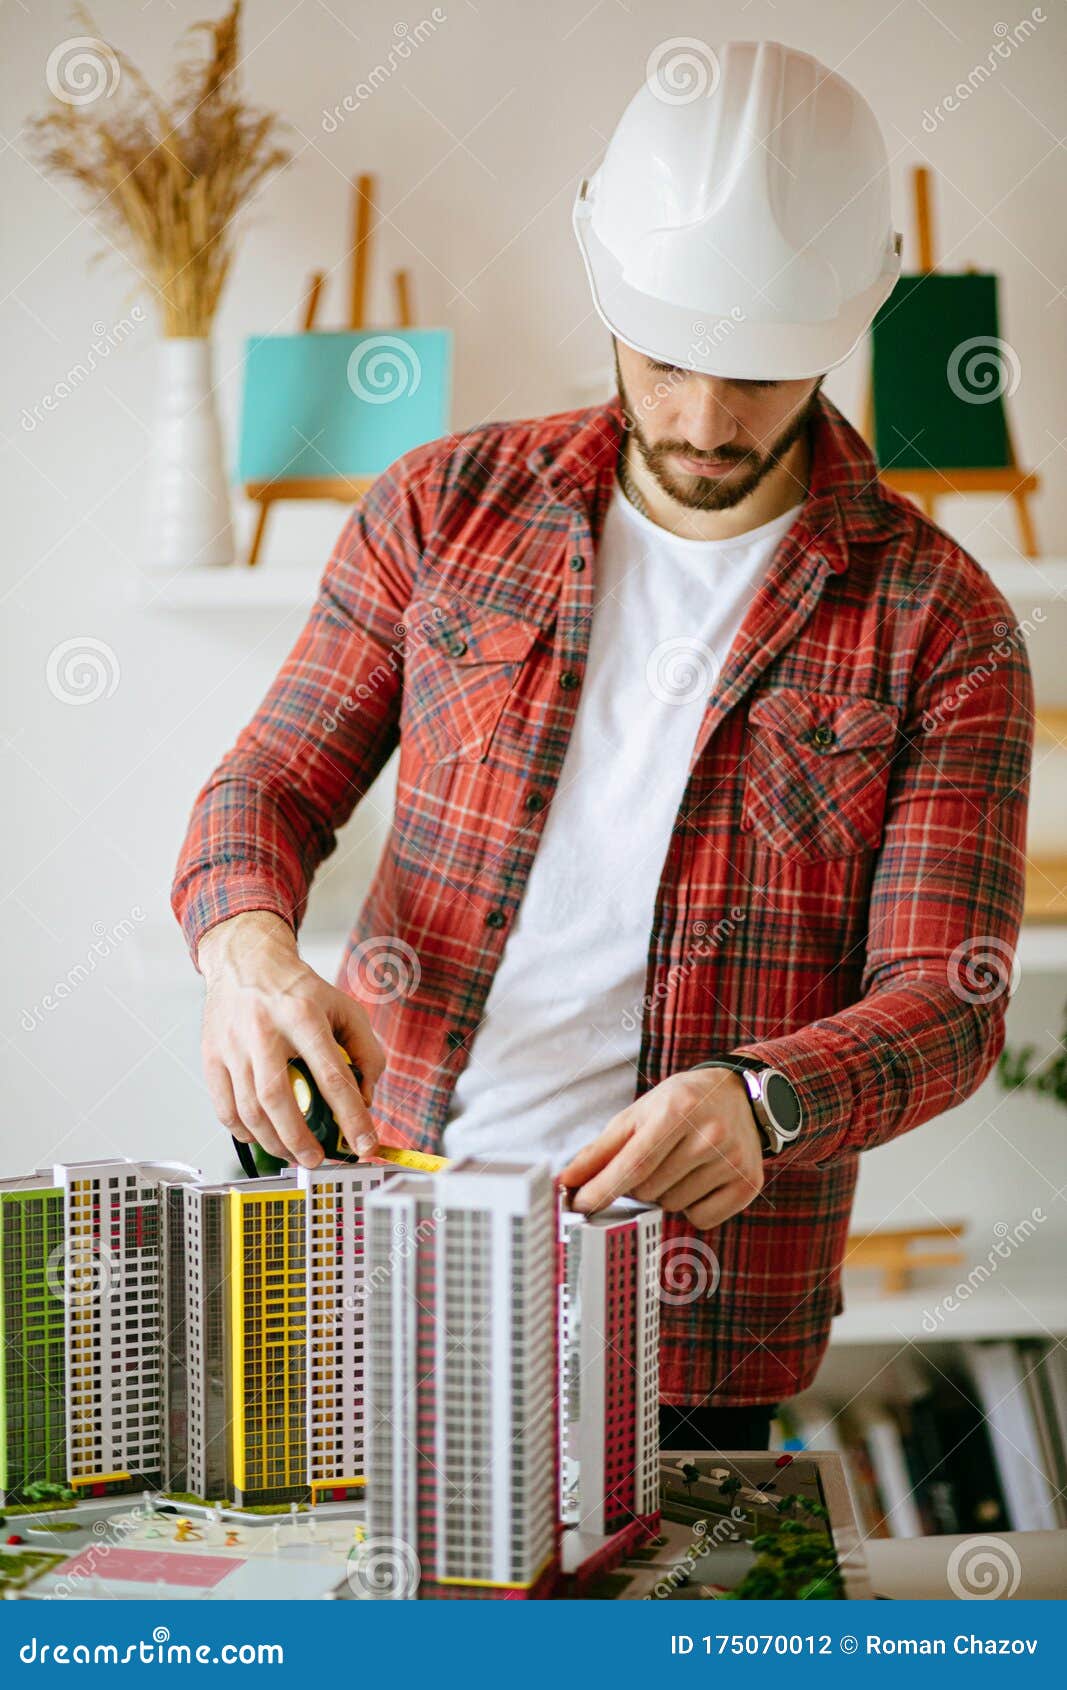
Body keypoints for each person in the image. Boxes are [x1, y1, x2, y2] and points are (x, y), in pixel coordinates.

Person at [171, 41, 1033, 1453]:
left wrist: (767, 1100)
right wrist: (244, 955)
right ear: (606, 282)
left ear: (846, 314)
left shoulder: (947, 625)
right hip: (385, 1247)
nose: (704, 419)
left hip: (694, 1331)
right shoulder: (441, 509)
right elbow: (264, 785)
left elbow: (953, 991)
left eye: (756, 371)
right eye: (670, 356)